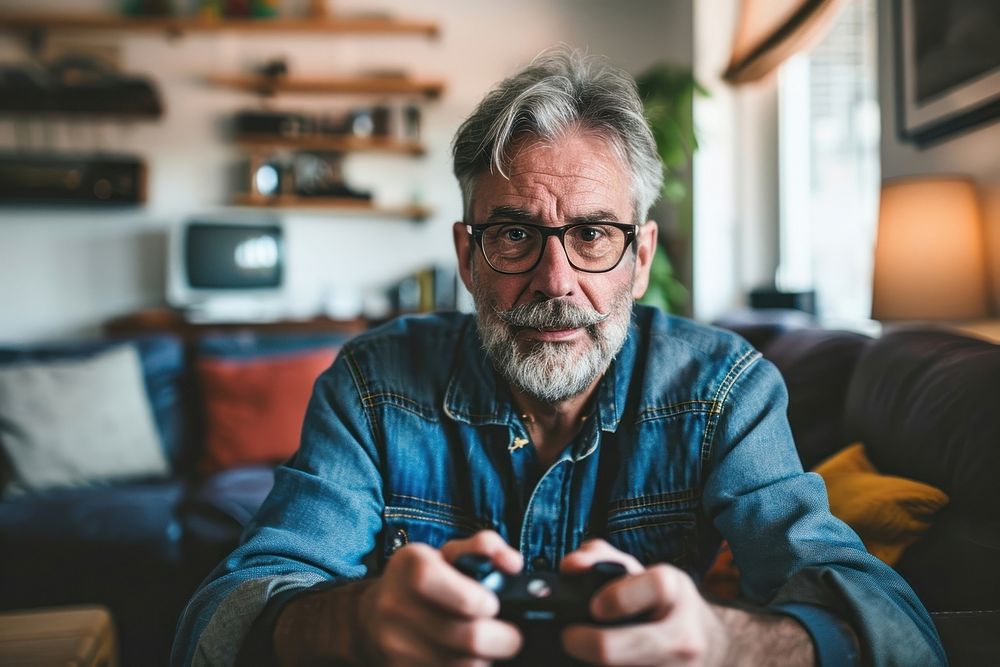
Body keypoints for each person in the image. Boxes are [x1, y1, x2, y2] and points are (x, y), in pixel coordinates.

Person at [173, 49, 945, 667]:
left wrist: (727, 641)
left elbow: (899, 629)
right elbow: (213, 624)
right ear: (467, 257)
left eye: (593, 234)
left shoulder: (723, 391)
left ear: (641, 258)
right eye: (515, 234)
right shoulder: (372, 387)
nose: (555, 280)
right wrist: (354, 620)